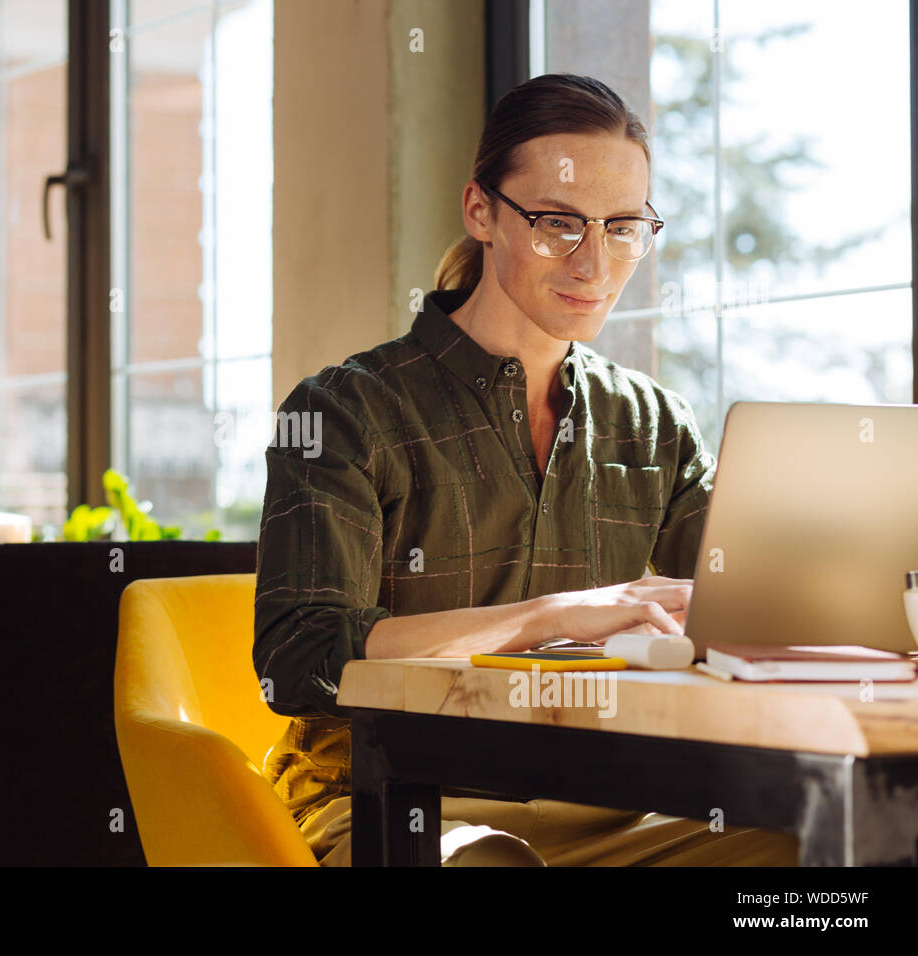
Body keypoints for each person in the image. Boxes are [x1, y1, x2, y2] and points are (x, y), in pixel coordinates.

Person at [252, 73, 798, 867]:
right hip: (392, 799)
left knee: (834, 852)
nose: (594, 262)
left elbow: (755, 597)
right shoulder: (344, 413)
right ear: (481, 211)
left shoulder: (649, 425)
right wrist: (553, 616)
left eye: (622, 227)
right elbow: (301, 664)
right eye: (556, 224)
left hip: (609, 801)